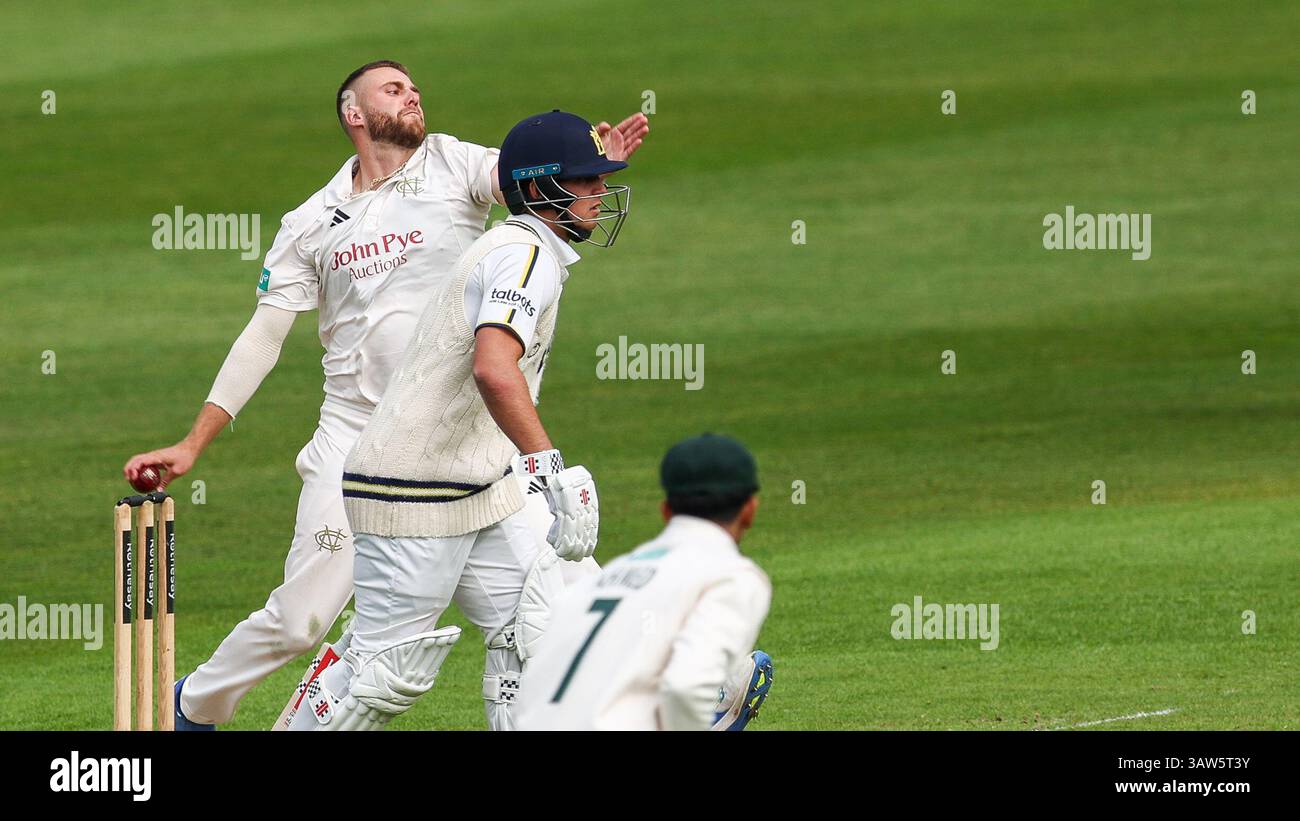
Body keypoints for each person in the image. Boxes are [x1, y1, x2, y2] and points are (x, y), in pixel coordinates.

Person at [122, 60, 648, 730]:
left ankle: (685, 700)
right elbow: (262, 337)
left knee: (562, 591)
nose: (412, 94)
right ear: (353, 112)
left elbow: (527, 181)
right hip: (360, 441)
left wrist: (581, 162)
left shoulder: (452, 164)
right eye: (392, 89)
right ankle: (193, 706)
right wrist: (193, 441)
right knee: (303, 618)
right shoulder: (311, 222)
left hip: (464, 435)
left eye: (415, 86)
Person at [285, 110, 628, 731]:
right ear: (545, 188)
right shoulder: (524, 257)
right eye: (588, 180)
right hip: (413, 487)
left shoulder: (526, 247)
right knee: (383, 675)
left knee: (545, 628)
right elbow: (495, 368)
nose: (601, 194)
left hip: (477, 482)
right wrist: (549, 468)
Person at [515, 433, 773, 731]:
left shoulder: (601, 580)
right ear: (750, 510)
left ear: (666, 511)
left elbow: (534, 689)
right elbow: (685, 687)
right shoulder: (733, 577)